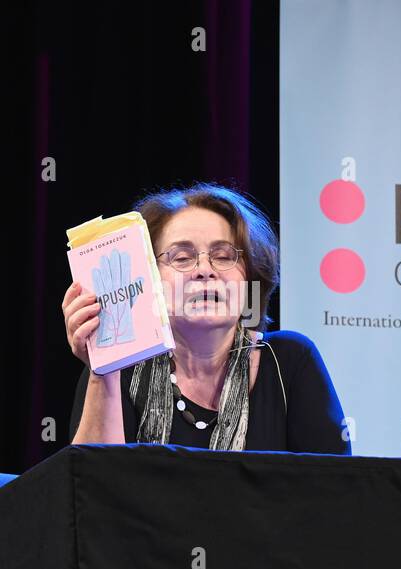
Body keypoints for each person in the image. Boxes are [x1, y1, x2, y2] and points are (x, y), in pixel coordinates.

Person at [65, 182, 350, 454]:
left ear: (250, 276)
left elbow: (334, 491)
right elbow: (91, 487)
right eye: (181, 257)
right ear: (148, 277)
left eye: (224, 256)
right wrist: (103, 369)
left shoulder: (290, 362)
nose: (204, 270)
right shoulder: (118, 371)